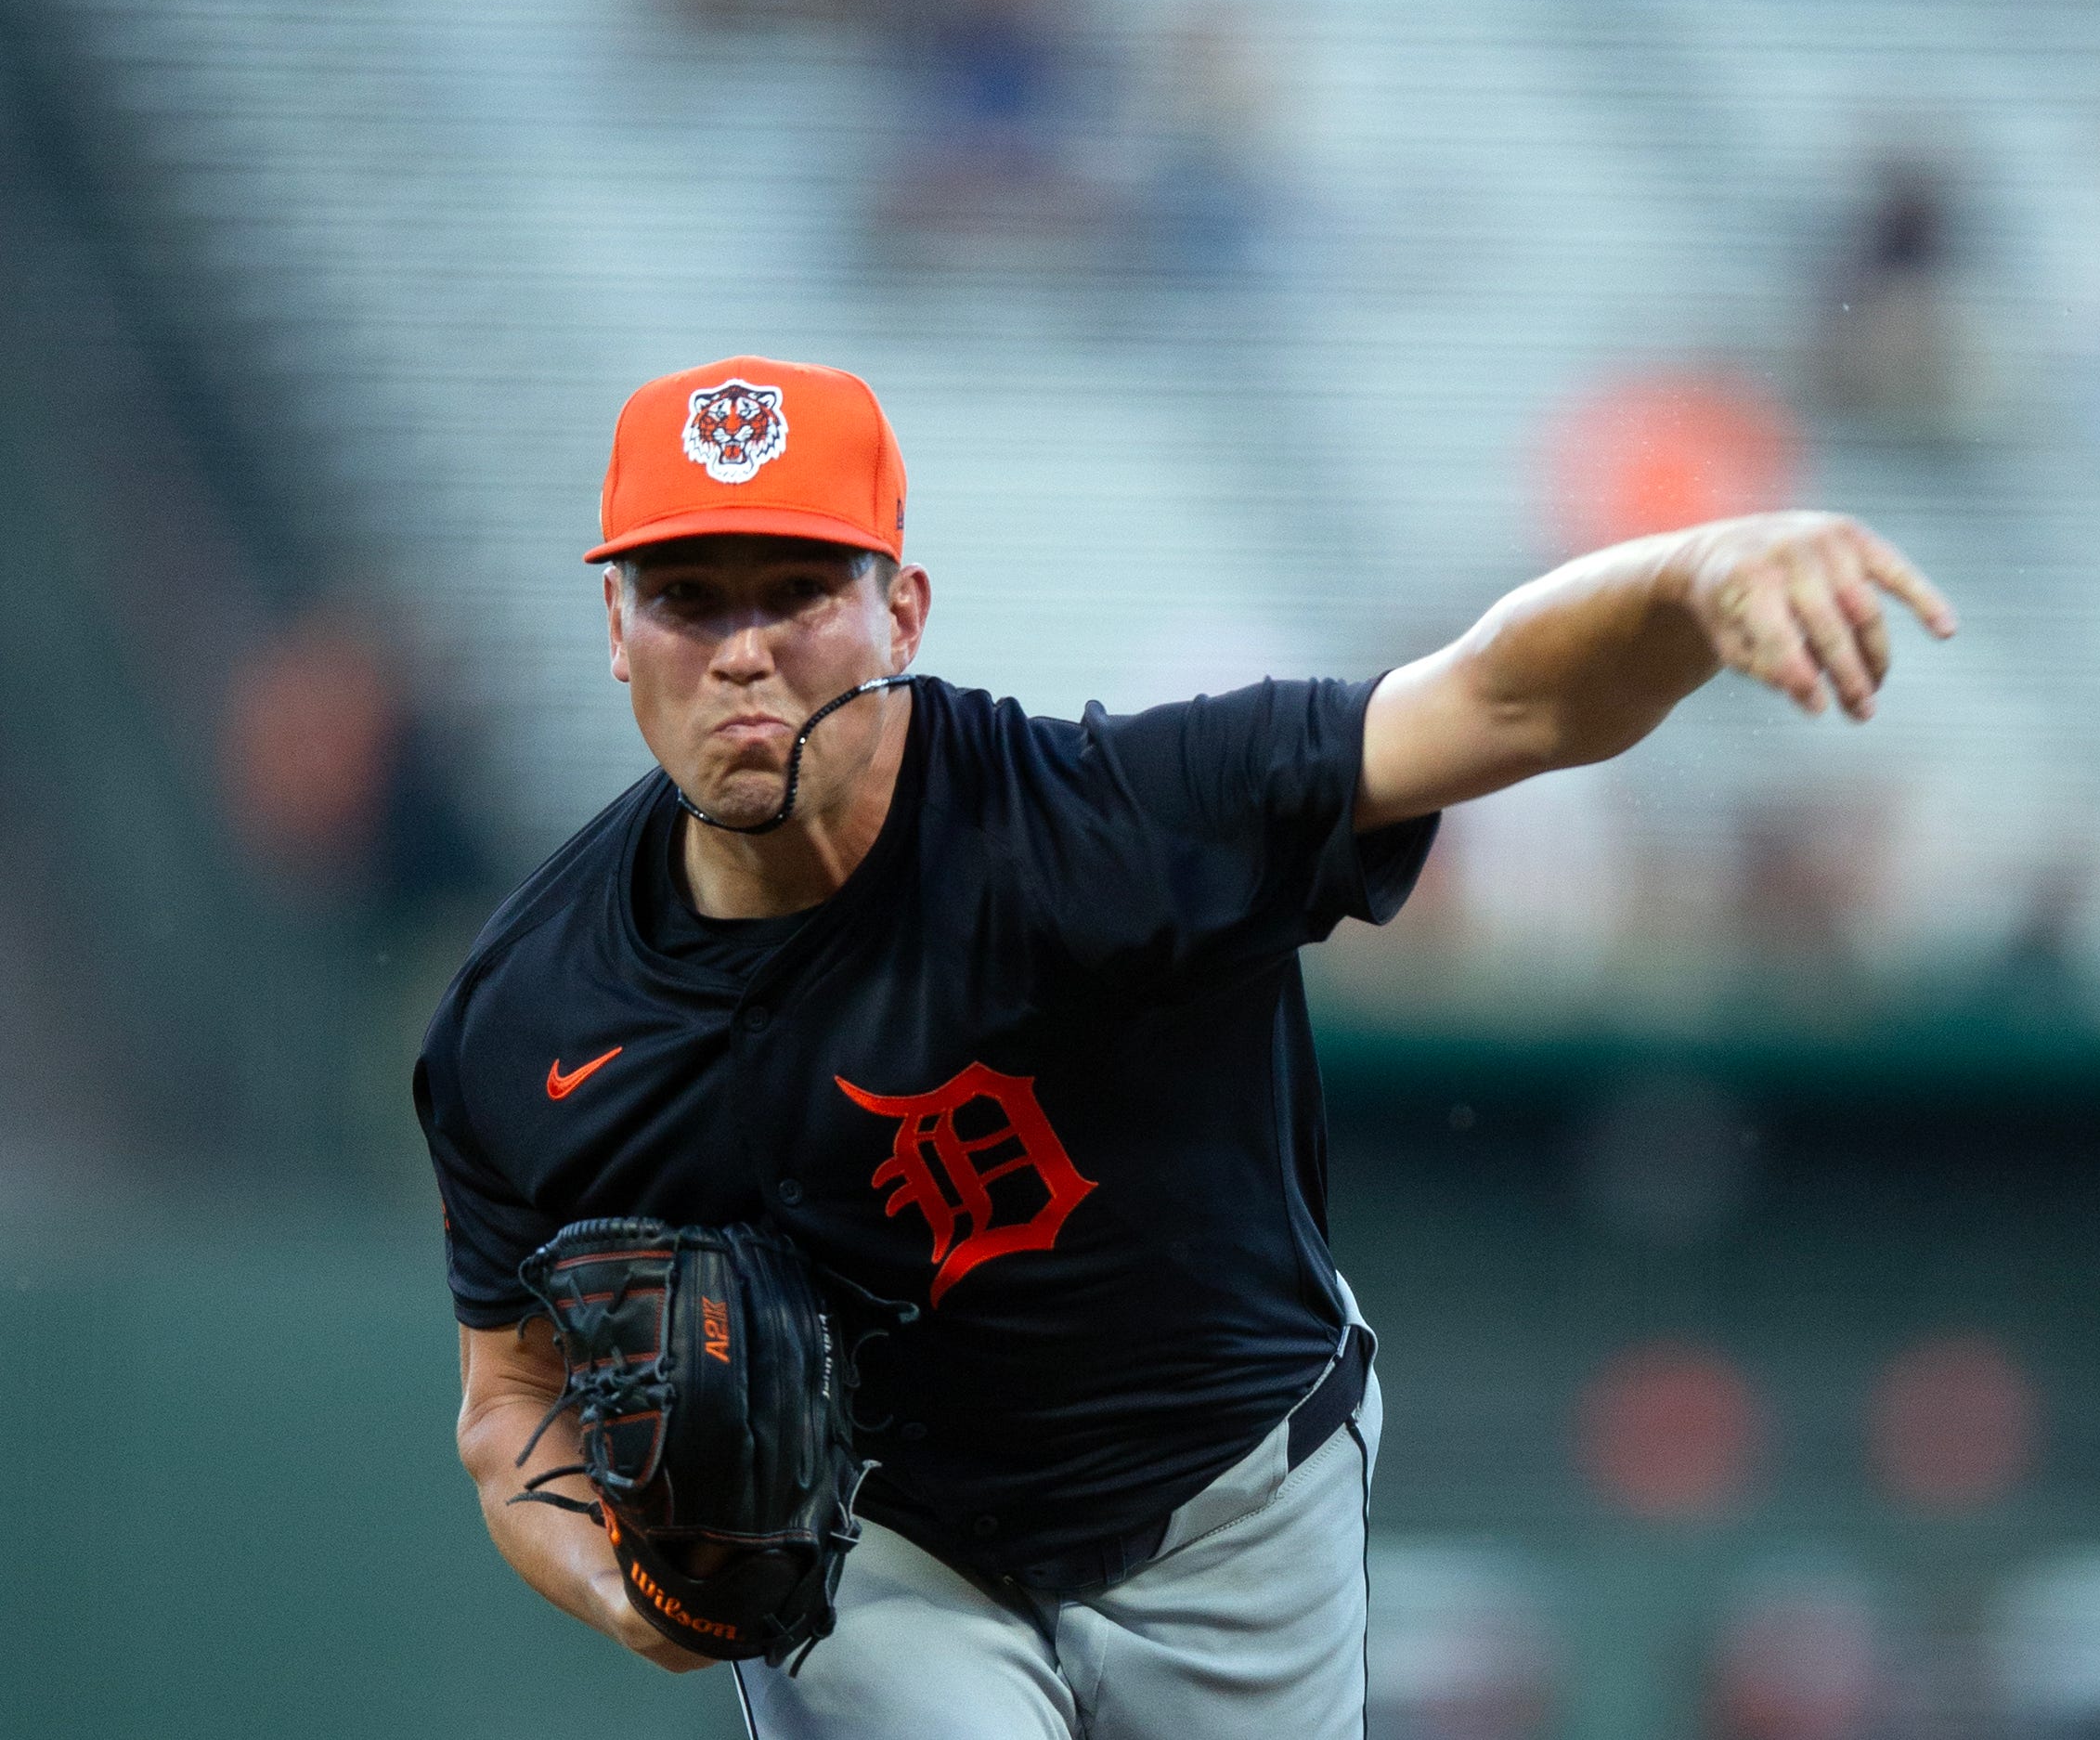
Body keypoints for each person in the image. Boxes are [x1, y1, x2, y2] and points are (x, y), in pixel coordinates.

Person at [419, 355, 1955, 1739]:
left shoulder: (1099, 828)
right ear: (615, 630)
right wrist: (632, 1594)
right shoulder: (532, 1021)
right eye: (689, 595)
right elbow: (508, 1401)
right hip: (880, 1546)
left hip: (1223, 1495)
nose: (744, 650)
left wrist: (1688, 579)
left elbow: (1496, 698)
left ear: (902, 610)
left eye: (797, 587)